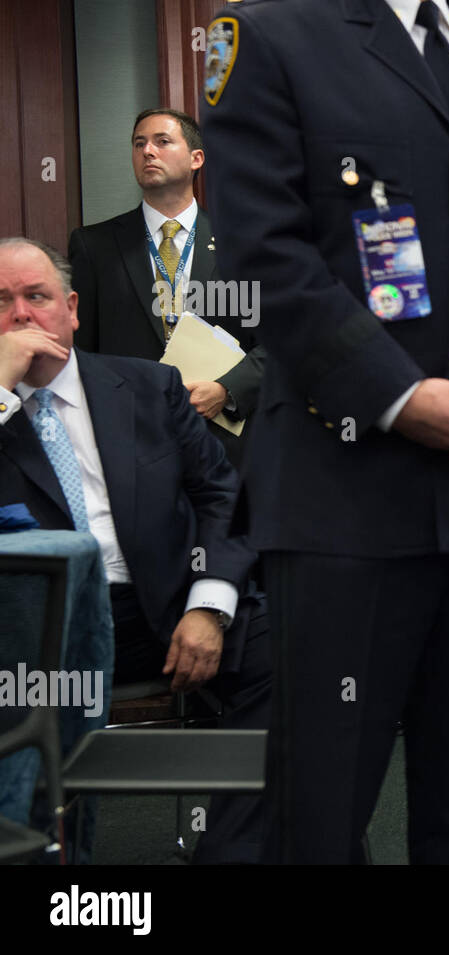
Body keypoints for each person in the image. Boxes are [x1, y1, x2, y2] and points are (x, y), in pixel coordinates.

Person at [200, 0, 449, 864]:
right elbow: (261, 258)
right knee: (320, 820)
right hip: (346, 499)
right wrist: (397, 395)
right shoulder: (269, 38)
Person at [0, 237, 270, 863]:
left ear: (70, 309)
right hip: (39, 631)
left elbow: (222, 499)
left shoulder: (150, 387)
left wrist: (209, 607)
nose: (20, 315)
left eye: (36, 297)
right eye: (3, 302)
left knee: (293, 656)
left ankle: (228, 854)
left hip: (165, 607)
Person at [67, 109, 264, 469]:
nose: (147, 151)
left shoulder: (244, 243)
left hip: (224, 445)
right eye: (139, 143)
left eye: (162, 141)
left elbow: (278, 342)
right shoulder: (94, 246)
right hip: (130, 442)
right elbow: (81, 351)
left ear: (196, 158)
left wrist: (227, 389)